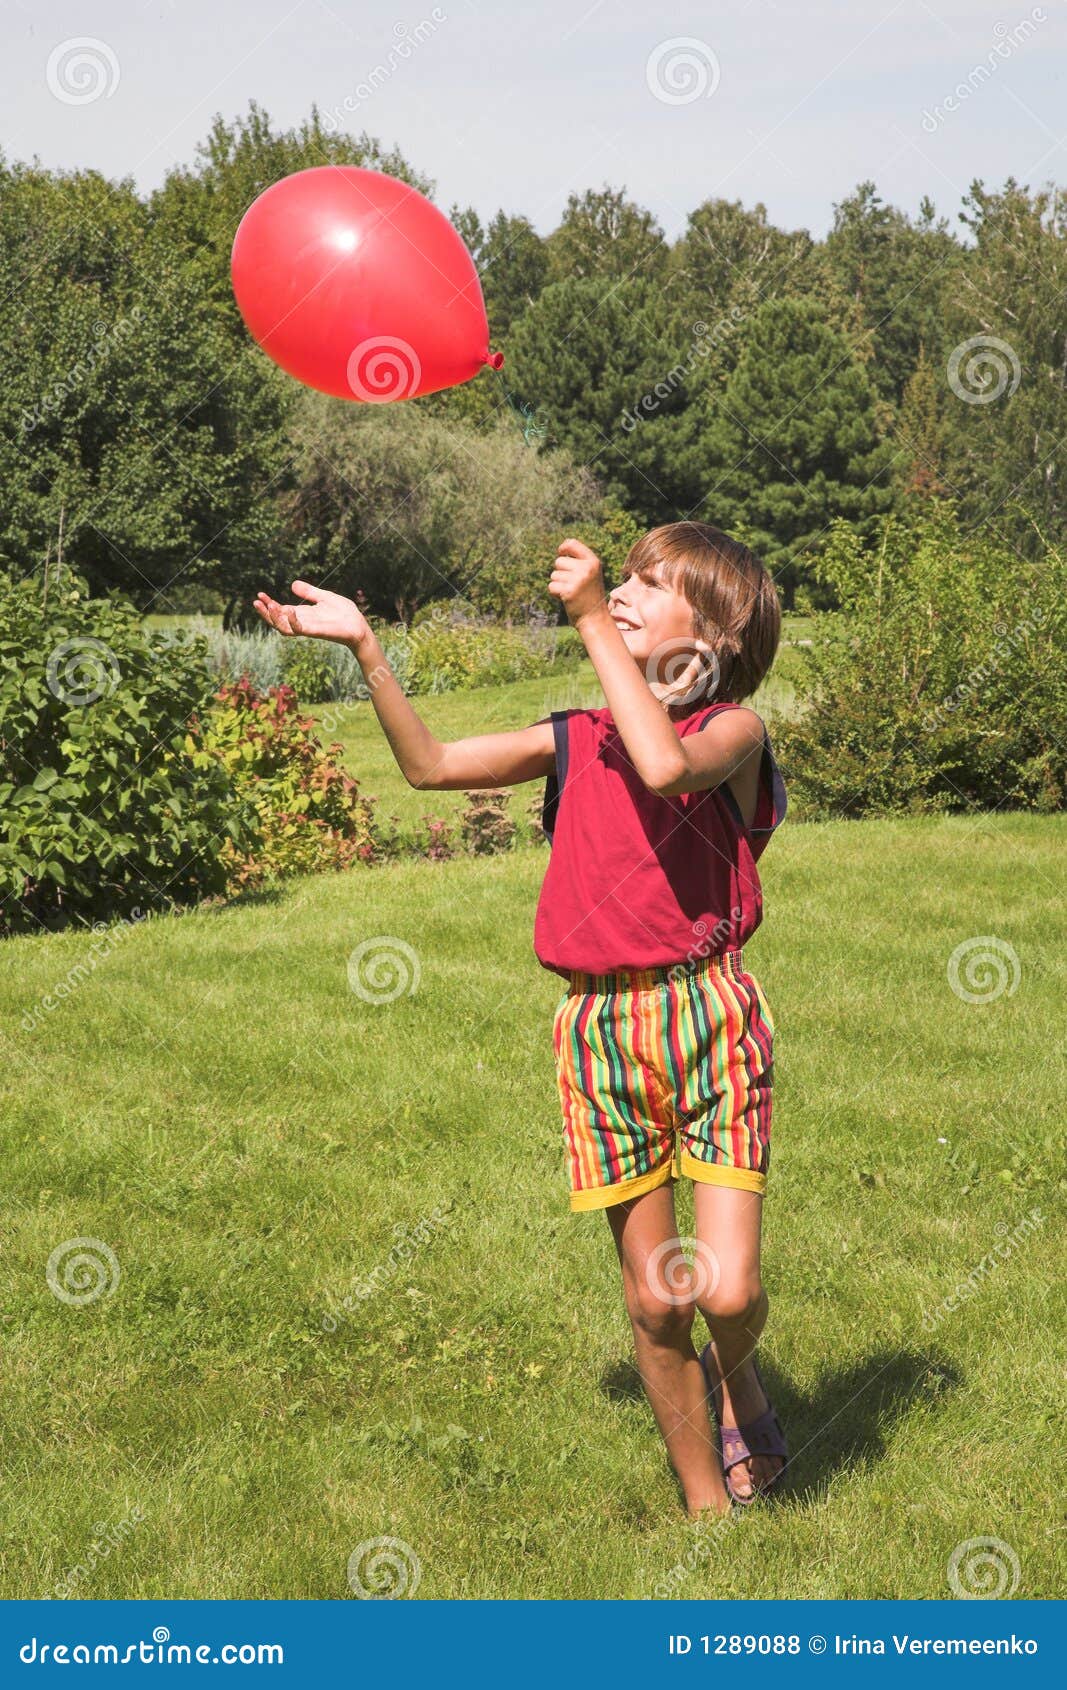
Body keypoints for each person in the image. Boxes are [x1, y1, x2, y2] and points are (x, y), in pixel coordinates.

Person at [253, 520, 788, 1517]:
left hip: (706, 1015)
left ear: (710, 632)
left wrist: (586, 615)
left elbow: (666, 768)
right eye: (618, 579)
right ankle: (706, 1513)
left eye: (649, 584)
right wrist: (368, 648)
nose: (621, 591)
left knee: (720, 1291)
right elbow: (429, 767)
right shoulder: (571, 738)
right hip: (596, 1031)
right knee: (652, 1296)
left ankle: (740, 1371)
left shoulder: (732, 731)